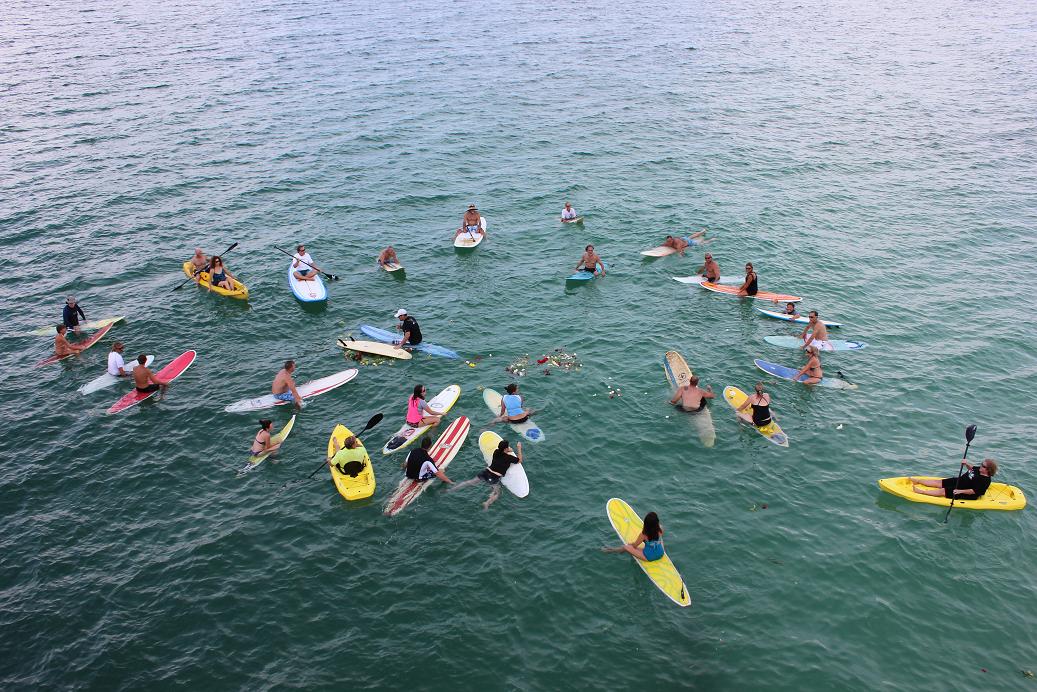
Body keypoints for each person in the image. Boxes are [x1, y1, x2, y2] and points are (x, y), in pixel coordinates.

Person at [450, 438, 523, 510]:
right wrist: (519, 448)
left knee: (470, 482)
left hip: (486, 472)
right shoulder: (509, 458)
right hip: (494, 477)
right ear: (506, 449)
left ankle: (452, 489)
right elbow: (519, 460)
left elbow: (505, 451)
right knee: (497, 493)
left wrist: (508, 449)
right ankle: (486, 503)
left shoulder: (496, 451)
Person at [911, 459, 998, 500]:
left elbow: (974, 491)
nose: (981, 465)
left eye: (983, 465)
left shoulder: (985, 481)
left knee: (942, 491)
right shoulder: (979, 469)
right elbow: (972, 468)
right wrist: (966, 464)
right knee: (939, 482)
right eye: (981, 464)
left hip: (965, 491)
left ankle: (922, 492)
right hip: (960, 481)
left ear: (988, 470)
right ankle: (917, 481)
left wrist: (960, 491)